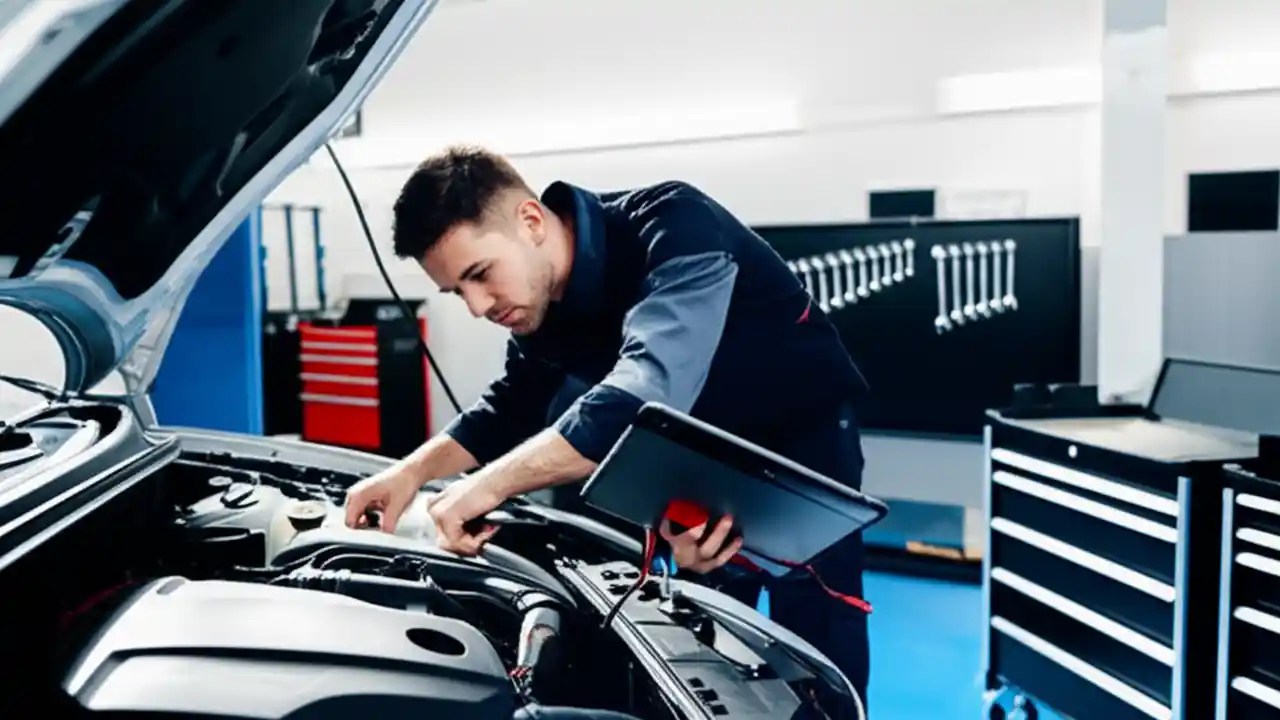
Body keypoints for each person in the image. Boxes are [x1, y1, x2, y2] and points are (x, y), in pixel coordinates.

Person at [342, 145, 873, 708]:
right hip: (693, 463)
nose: (477, 306)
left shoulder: (675, 227)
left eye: (480, 274)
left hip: (799, 451)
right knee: (703, 650)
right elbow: (510, 408)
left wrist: (480, 488)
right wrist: (410, 473)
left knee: (817, 653)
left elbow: (641, 398)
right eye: (458, 291)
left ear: (530, 220)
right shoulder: (543, 306)